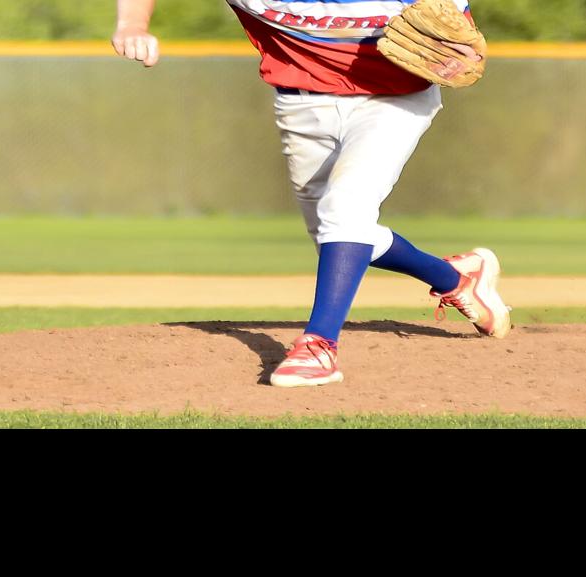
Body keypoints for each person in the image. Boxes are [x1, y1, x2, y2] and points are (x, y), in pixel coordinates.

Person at [112, 0, 512, 388]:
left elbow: (455, 30)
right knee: (337, 238)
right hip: (300, 105)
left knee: (345, 209)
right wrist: (133, 24)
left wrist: (458, 46)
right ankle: (457, 278)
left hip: (393, 101)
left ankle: (319, 345)